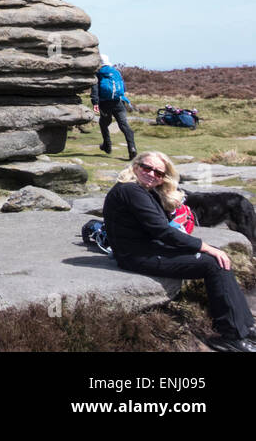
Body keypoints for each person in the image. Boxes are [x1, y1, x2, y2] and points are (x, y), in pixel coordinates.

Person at [102, 151, 255, 352]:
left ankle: (245, 325)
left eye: (158, 172)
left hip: (147, 249)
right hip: (137, 257)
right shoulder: (131, 191)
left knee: (217, 257)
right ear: (136, 166)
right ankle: (231, 335)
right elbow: (162, 231)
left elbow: (162, 227)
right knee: (212, 263)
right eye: (147, 168)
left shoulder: (142, 191)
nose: (151, 174)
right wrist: (203, 246)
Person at [91, 56, 137, 159]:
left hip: (105, 104)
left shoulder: (98, 74)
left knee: (104, 123)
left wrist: (95, 103)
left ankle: (107, 146)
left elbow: (95, 90)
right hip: (119, 102)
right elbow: (123, 88)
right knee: (124, 125)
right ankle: (132, 148)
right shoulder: (116, 72)